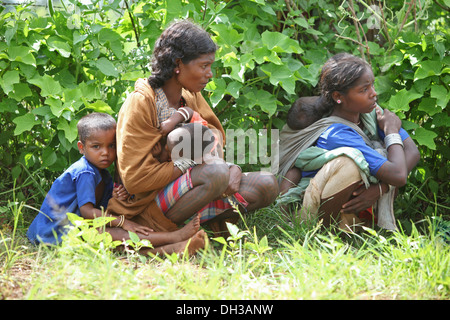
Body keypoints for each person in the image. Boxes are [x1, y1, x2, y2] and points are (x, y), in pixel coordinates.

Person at [106, 19, 278, 237]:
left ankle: (208, 225)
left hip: (193, 187)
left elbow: (214, 135)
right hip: (147, 204)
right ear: (178, 64)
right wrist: (193, 163)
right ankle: (166, 232)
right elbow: (136, 179)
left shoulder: (189, 95)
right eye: (204, 66)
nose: (210, 74)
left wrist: (231, 167)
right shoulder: (141, 102)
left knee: (267, 184)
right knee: (214, 171)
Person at [276, 53, 420, 232]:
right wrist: (390, 131)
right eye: (364, 89)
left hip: (357, 206)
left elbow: (412, 152)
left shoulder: (370, 114)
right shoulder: (336, 134)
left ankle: (355, 228)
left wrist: (380, 188)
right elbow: (398, 174)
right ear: (338, 96)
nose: (373, 93)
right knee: (350, 164)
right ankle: (323, 231)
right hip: (313, 208)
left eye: (372, 85)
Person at [27, 112, 206, 256]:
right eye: (96, 147)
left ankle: (177, 247)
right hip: (52, 234)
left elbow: (96, 205)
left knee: (118, 243)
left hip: (75, 228)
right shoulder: (85, 171)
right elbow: (87, 211)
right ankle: (175, 237)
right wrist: (122, 221)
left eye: (111, 146)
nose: (105, 153)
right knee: (115, 235)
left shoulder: (101, 172)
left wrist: (114, 196)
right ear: (81, 147)